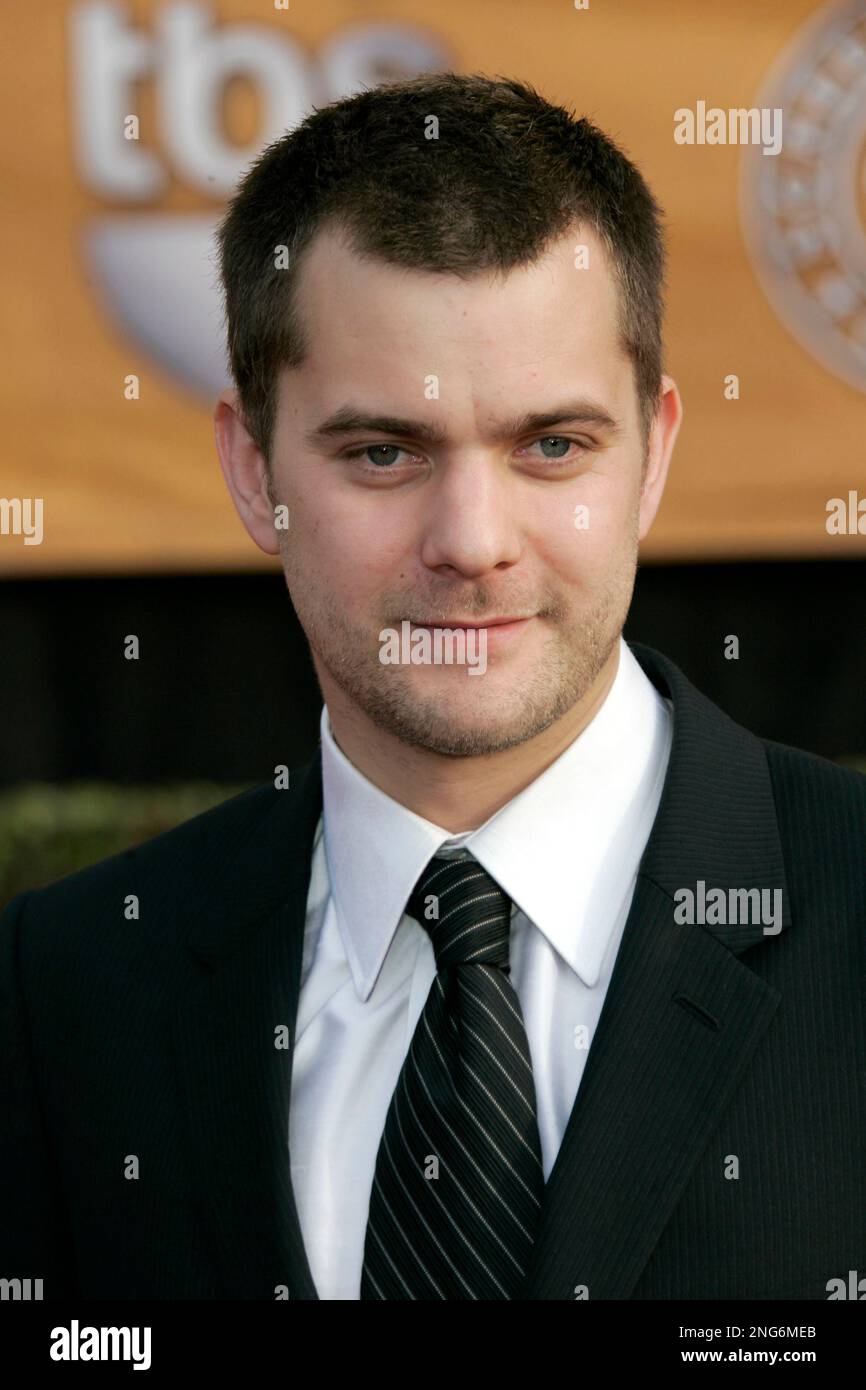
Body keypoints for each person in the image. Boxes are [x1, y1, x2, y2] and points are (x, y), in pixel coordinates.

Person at [1, 73, 863, 1302]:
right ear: (253, 471)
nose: (471, 539)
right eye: (383, 453)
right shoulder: (71, 984)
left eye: (551, 445)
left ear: (653, 454)